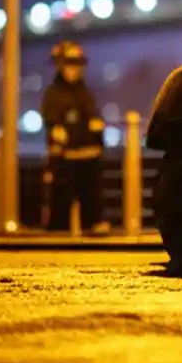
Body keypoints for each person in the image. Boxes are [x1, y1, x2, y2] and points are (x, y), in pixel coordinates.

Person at [41, 40, 109, 234]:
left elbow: (94, 120)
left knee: (92, 198)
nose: (73, 70)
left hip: (88, 155)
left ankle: (94, 227)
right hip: (65, 157)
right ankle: (57, 237)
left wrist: (96, 137)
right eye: (69, 65)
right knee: (60, 205)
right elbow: (52, 122)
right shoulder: (53, 94)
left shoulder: (85, 93)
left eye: (76, 65)